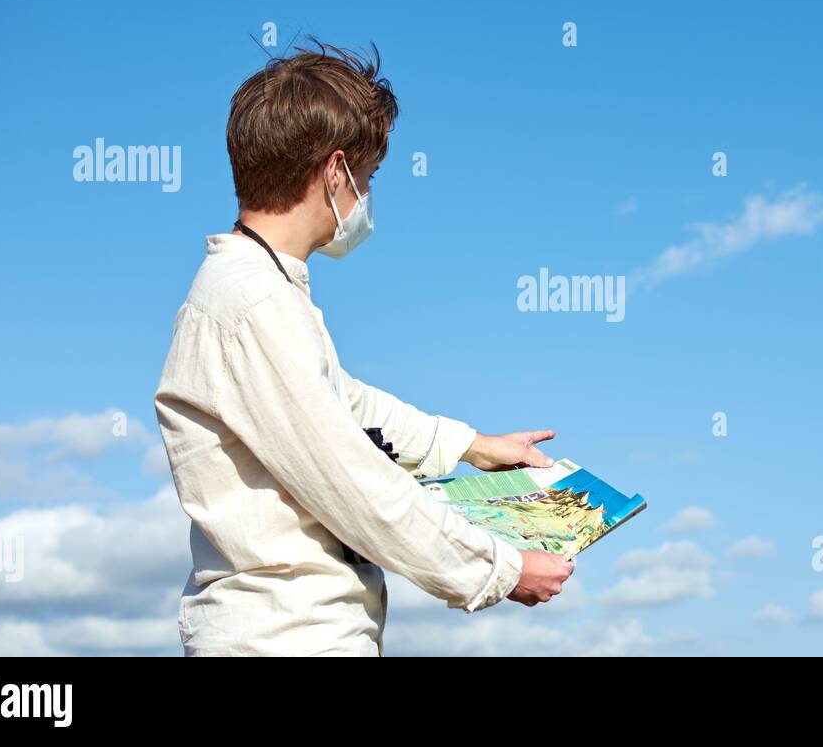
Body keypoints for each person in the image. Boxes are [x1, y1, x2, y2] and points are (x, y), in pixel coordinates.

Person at [153, 41, 573, 656]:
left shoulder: (262, 290)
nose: (366, 199)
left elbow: (343, 404)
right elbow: (354, 484)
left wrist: (472, 446)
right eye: (367, 180)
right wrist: (502, 569)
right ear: (334, 172)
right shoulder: (254, 306)